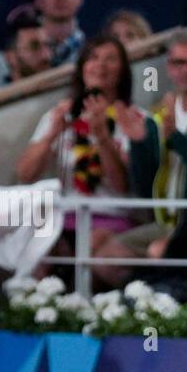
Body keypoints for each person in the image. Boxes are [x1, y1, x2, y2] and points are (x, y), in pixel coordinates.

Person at [15, 34, 136, 287]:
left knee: (88, 247)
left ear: (123, 71)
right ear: (81, 67)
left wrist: (103, 137)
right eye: (93, 58)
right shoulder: (59, 115)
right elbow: (25, 175)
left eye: (110, 59)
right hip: (63, 217)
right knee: (36, 253)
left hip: (110, 217)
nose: (100, 66)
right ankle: (36, 318)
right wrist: (51, 134)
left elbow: (122, 184)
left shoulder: (133, 120)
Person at [122, 26, 187, 298]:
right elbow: (144, 186)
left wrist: (177, 139)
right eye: (179, 62)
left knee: (162, 253)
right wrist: (139, 144)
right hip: (162, 221)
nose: (186, 70)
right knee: (105, 258)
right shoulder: (159, 113)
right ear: (169, 67)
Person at [0, 6, 54, 91]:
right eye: (34, 47)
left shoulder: (65, 97)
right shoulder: (1, 102)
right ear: (10, 57)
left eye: (48, 45)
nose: (46, 56)